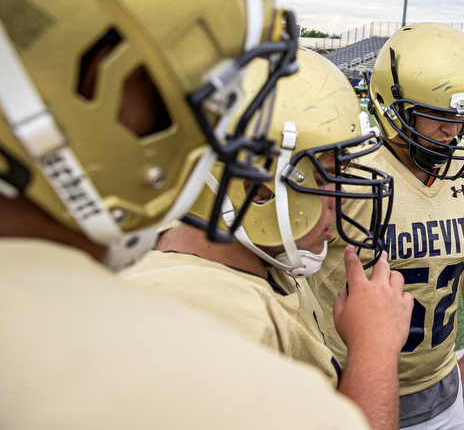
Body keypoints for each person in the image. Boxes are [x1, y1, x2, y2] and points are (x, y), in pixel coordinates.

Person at [0, 0, 377, 427]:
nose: (206, 127)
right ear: (93, 73)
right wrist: (375, 354)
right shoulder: (196, 356)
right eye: (202, 78)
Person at [121, 50, 412, 430]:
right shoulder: (219, 322)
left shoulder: (246, 252)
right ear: (258, 192)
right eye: (326, 178)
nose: (342, 198)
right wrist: (374, 348)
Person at [310, 23, 464, 430]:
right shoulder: (346, 176)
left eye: (462, 118)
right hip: (343, 380)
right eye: (438, 116)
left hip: (440, 386)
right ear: (392, 107)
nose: (454, 132)